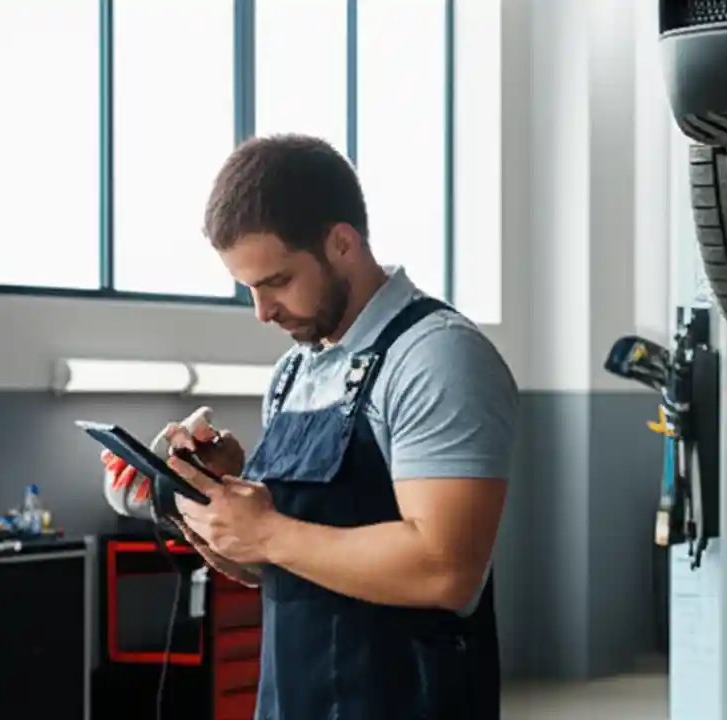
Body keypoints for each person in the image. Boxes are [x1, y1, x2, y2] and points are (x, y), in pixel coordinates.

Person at [98, 134, 517, 719]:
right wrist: (204, 504)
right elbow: (266, 564)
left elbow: (447, 569)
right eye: (249, 288)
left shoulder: (436, 357)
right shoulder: (295, 372)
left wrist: (267, 529)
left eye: (276, 282)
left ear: (341, 243)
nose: (262, 312)